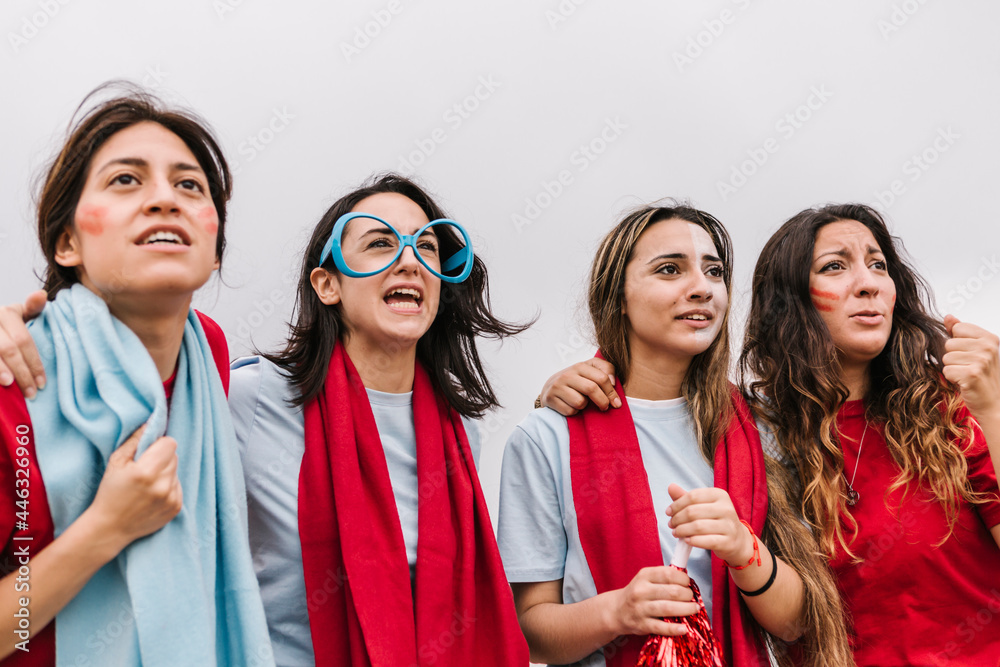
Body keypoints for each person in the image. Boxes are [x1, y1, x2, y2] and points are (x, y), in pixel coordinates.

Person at [500, 204, 851, 667]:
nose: (702, 288)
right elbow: (530, 634)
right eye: (670, 270)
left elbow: (797, 624)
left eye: (714, 272)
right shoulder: (545, 438)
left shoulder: (762, 430)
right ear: (617, 296)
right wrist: (618, 611)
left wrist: (743, 549)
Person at [0, 87, 272, 666]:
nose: (164, 200)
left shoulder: (209, 357)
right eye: (126, 180)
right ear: (67, 242)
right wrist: (104, 528)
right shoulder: (14, 381)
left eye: (189, 185)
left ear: (215, 248)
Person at [227, 173, 531, 666]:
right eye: (380, 242)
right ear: (328, 285)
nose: (409, 261)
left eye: (427, 247)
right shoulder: (255, 396)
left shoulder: (461, 435)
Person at [739, 203, 1000, 665]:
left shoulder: (952, 408)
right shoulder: (752, 437)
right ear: (789, 301)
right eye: (835, 266)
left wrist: (994, 410)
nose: (869, 282)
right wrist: (583, 380)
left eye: (878, 265)